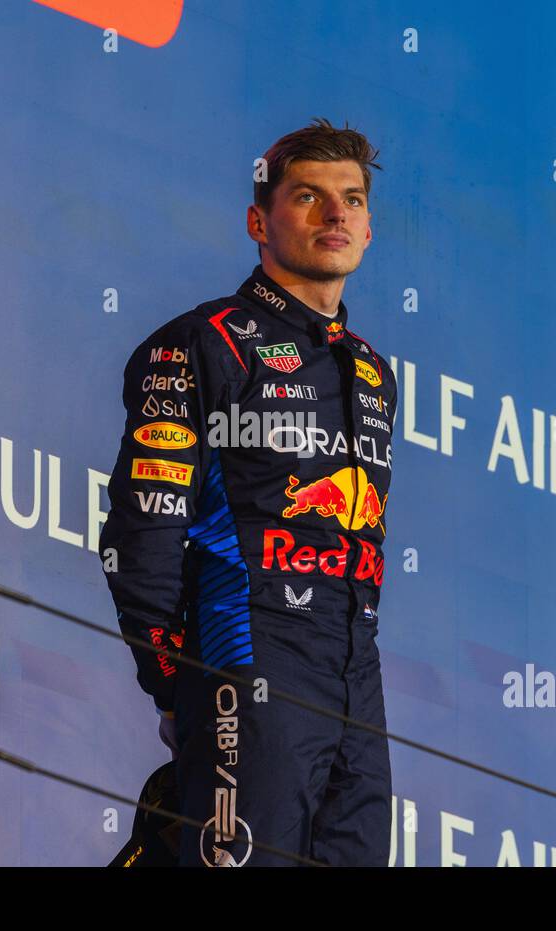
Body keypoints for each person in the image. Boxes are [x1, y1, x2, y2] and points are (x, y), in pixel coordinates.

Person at [99, 118, 396, 866]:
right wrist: (177, 685)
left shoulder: (370, 371)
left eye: (351, 199)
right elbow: (144, 533)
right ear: (259, 221)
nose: (336, 215)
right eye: (309, 197)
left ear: (369, 225)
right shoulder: (201, 342)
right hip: (249, 655)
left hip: (357, 675)